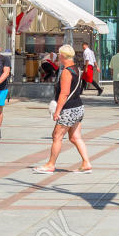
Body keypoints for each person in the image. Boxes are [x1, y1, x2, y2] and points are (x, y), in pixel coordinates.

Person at [35, 43, 92, 175]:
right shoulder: (76, 69)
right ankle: (86, 163)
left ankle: (50, 165)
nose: (58, 57)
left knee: (57, 136)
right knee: (75, 137)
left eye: (59, 55)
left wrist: (57, 111)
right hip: (78, 107)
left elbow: (64, 93)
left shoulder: (67, 72)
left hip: (68, 109)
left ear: (62, 56)